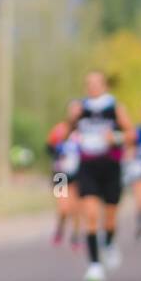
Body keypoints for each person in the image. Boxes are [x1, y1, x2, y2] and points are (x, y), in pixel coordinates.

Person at [70, 71, 133, 281]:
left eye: (96, 83)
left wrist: (115, 137)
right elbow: (67, 131)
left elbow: (132, 134)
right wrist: (72, 119)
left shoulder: (115, 107)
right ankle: (94, 266)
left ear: (104, 85)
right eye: (89, 83)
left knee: (110, 216)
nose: (92, 87)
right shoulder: (80, 108)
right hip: (88, 166)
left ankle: (109, 242)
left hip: (111, 166)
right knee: (90, 215)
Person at [47, 104, 82, 248]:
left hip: (79, 173)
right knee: (63, 207)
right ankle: (59, 229)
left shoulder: (85, 131)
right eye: (72, 110)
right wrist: (58, 153)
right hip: (60, 173)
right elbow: (48, 147)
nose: (74, 114)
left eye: (77, 111)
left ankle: (75, 236)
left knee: (76, 207)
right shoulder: (60, 129)